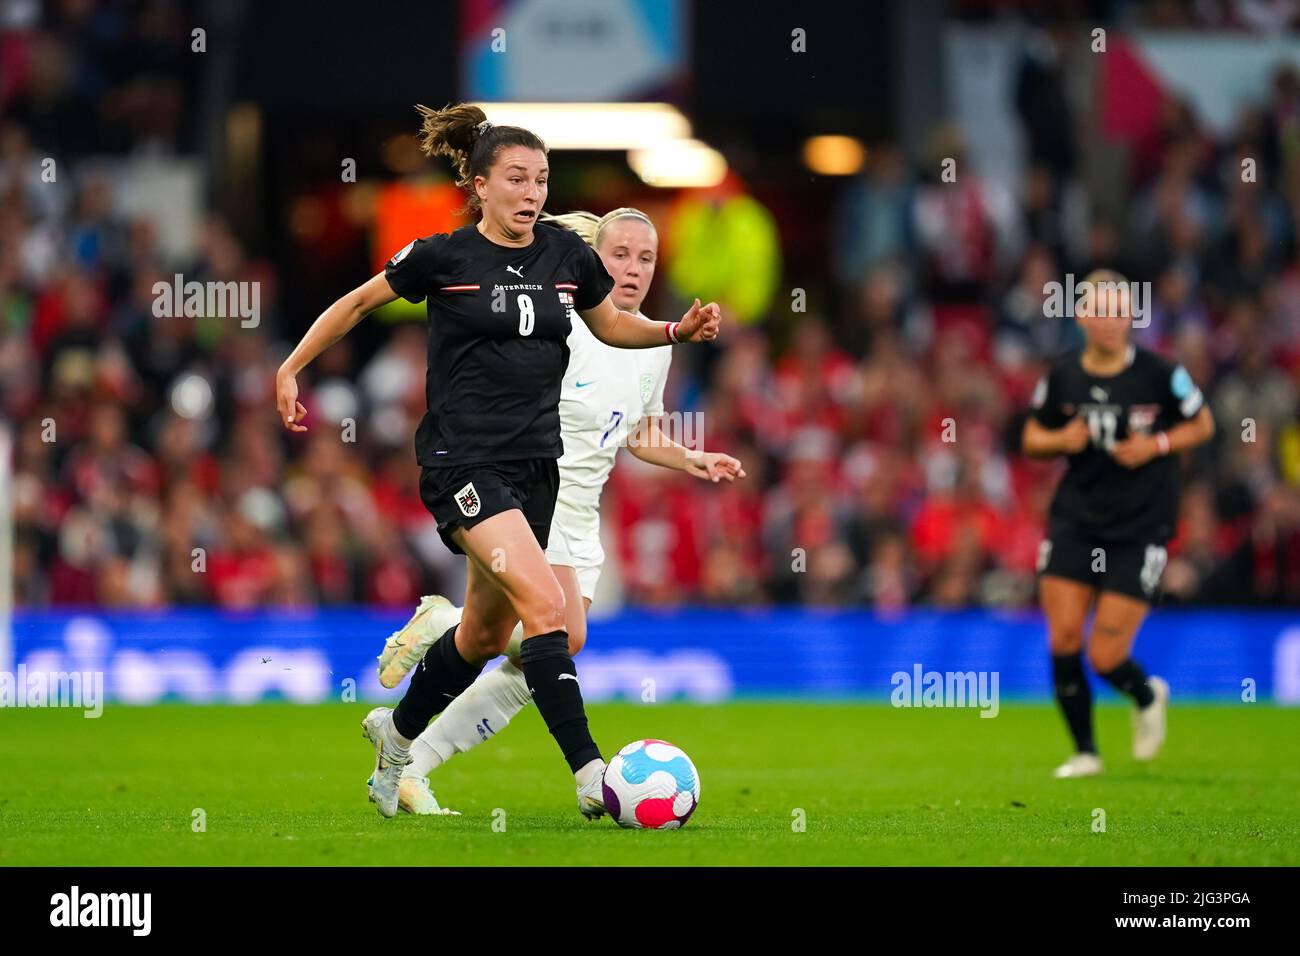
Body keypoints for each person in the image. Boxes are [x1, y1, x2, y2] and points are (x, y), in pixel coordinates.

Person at [275, 104, 721, 819]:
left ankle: (396, 738)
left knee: (483, 637)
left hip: (534, 470)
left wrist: (677, 328)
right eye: (516, 178)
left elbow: (611, 325)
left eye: (541, 180)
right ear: (480, 185)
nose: (532, 193)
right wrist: (293, 366)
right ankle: (591, 774)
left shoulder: (565, 259)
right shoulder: (442, 256)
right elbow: (359, 303)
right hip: (463, 465)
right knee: (549, 612)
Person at [369, 207, 745, 814]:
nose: (632, 269)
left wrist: (690, 458)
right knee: (559, 635)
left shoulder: (651, 344)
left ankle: (414, 751)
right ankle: (583, 771)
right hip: (529, 494)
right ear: (594, 257)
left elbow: (640, 434)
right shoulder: (561, 318)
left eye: (645, 258)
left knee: (521, 653)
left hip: (584, 512)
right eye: (619, 254)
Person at [1022, 269, 1214, 778]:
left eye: (1118, 311)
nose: (1109, 321)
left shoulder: (1159, 374)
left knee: (1106, 654)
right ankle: (1085, 751)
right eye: (1098, 311)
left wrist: (1157, 445)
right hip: (1076, 521)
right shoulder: (1062, 376)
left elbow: (1204, 423)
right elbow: (1031, 436)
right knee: (1063, 637)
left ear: (1132, 315)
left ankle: (1146, 693)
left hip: (1139, 524)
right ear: (1081, 316)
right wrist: (1061, 441)